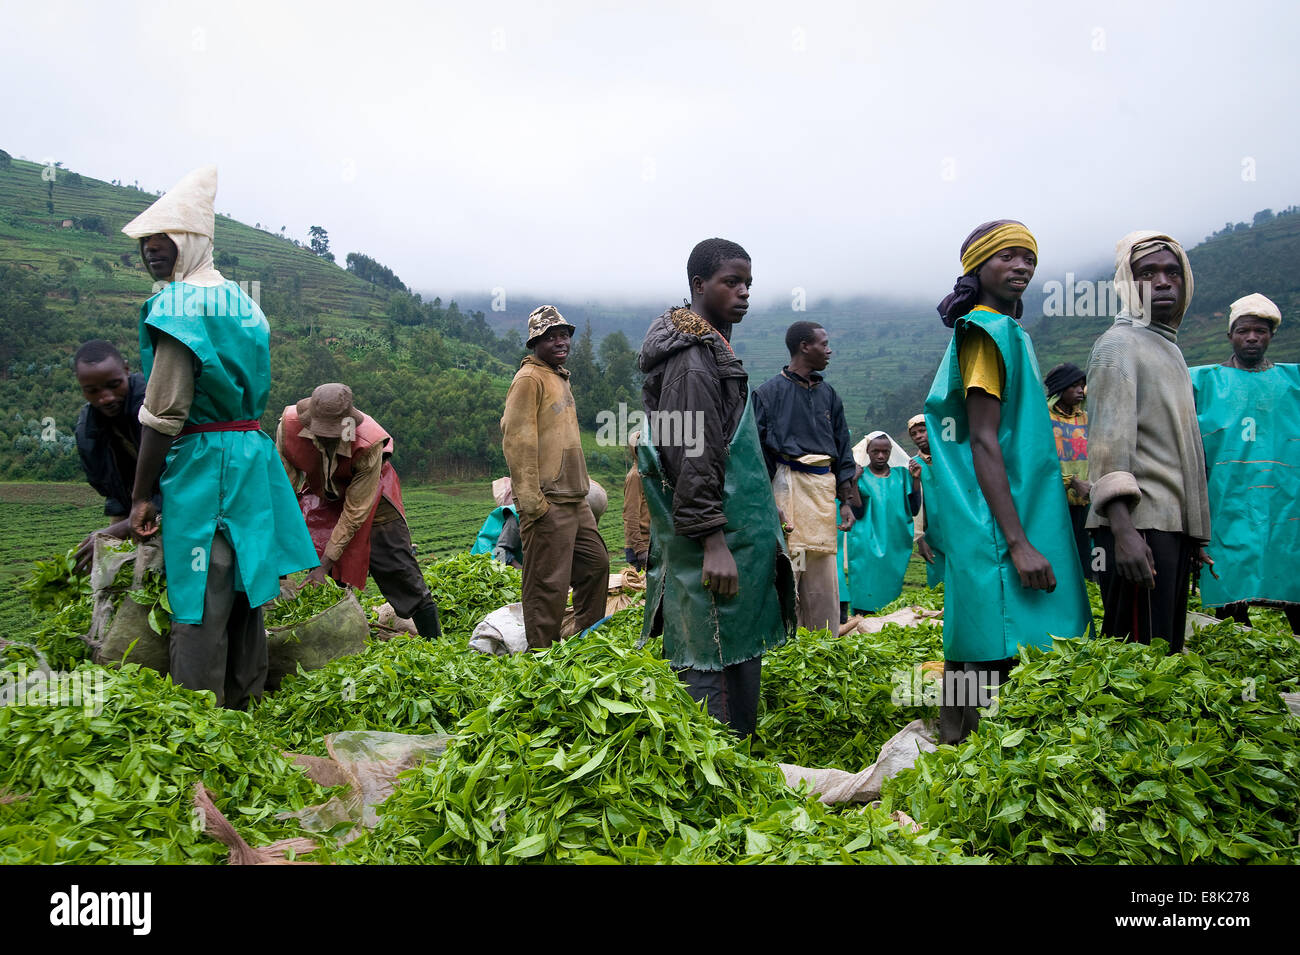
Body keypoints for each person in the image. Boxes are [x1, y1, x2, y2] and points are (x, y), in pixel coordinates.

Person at [123, 165, 317, 709]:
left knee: (200, 589)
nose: (152, 250)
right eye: (146, 241)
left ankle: (199, 722)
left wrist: (142, 495)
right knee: (245, 586)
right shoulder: (245, 306)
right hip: (251, 455)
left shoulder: (179, 306)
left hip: (206, 457)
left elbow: (163, 412)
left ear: (191, 241)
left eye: (164, 239)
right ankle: (244, 706)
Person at [925, 219, 1091, 744]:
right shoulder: (983, 332)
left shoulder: (1007, 331)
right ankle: (966, 759)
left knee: (1001, 636)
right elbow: (983, 440)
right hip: (996, 519)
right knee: (990, 642)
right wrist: (1017, 542)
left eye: (1029, 259)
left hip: (1019, 508)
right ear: (977, 266)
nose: (1021, 267)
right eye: (1007, 257)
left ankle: (971, 748)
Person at [637, 238, 795, 738]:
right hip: (715, 541)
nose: (744, 292)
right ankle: (718, 781)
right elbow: (694, 455)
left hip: (734, 532)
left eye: (748, 283)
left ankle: (735, 761)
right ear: (699, 286)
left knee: (734, 649)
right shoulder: (692, 362)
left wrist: (764, 514)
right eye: (732, 282)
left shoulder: (713, 347)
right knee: (714, 651)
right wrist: (713, 540)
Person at [1087, 231, 1211, 653]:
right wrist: (1124, 534)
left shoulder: (1168, 349)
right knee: (1137, 659)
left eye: (1172, 272)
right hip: (1138, 527)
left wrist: (1192, 534)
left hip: (1167, 528)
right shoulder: (1119, 345)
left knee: (1165, 650)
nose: (1163, 282)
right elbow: (1107, 447)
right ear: (1126, 283)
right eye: (1147, 273)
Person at [276, 383, 443, 639]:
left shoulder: (368, 444)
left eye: (333, 434)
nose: (326, 438)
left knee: (396, 567)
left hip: (374, 497)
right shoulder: (289, 426)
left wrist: (324, 563)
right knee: (328, 574)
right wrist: (280, 548)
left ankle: (435, 644)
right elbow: (282, 490)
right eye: (321, 433)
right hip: (325, 492)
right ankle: (337, 637)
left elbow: (355, 511)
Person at [500, 305, 610, 649]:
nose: (560, 341)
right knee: (548, 584)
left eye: (564, 335)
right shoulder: (530, 379)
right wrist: (533, 503)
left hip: (575, 499)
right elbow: (516, 439)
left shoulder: (558, 376)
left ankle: (585, 640)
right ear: (536, 341)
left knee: (595, 566)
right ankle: (541, 658)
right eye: (551, 336)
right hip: (548, 501)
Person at [1189, 293, 1300, 632]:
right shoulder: (1202, 382)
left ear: (1272, 336)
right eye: (1243, 330)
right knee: (1228, 571)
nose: (1252, 337)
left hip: (1284, 497)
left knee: (1289, 561)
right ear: (1230, 335)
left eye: (1261, 331)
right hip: (1225, 496)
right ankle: (1234, 639)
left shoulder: (1293, 382)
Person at [752, 321, 857, 633]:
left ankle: (822, 641)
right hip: (787, 486)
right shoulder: (768, 394)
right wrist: (769, 502)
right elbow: (758, 456)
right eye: (823, 344)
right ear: (803, 347)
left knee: (822, 572)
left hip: (822, 493)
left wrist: (846, 501)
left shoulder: (829, 396)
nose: (829, 350)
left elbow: (843, 450)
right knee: (787, 564)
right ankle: (781, 639)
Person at [72, 340, 159, 573]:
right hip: (140, 513)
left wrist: (117, 531)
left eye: (114, 385)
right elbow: (115, 492)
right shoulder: (89, 430)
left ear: (127, 370)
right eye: (93, 391)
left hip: (180, 510)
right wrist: (111, 546)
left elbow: (182, 484)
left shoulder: (154, 408)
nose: (106, 398)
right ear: (82, 388)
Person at [837, 432, 918, 616]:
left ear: (891, 452)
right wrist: (855, 481)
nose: (881, 456)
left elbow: (914, 508)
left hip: (894, 544)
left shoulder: (903, 475)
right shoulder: (861, 475)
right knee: (864, 589)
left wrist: (916, 480)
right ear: (868, 451)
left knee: (891, 595)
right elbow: (858, 511)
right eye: (876, 451)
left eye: (885, 451)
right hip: (866, 544)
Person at [472, 475, 608, 571]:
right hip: (490, 564)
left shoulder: (564, 522)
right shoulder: (518, 517)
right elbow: (499, 552)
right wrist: (522, 573)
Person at [1044, 362, 1093, 581]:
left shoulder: (1085, 419)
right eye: (1074, 386)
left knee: (1084, 559)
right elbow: (1040, 461)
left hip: (1084, 501)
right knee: (1058, 556)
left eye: (1082, 385)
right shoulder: (1043, 418)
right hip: (1054, 502)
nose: (1080, 390)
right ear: (1060, 388)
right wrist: (1070, 481)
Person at [906, 413, 944, 588]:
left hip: (961, 530)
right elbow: (913, 505)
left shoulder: (950, 458)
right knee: (938, 586)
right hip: (933, 534)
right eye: (914, 434)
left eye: (922, 430)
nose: (918, 436)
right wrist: (921, 539)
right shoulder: (913, 465)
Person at [622, 431, 651, 571]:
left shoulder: (647, 475)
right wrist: (640, 549)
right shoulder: (635, 476)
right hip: (640, 547)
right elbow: (630, 515)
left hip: (649, 544)